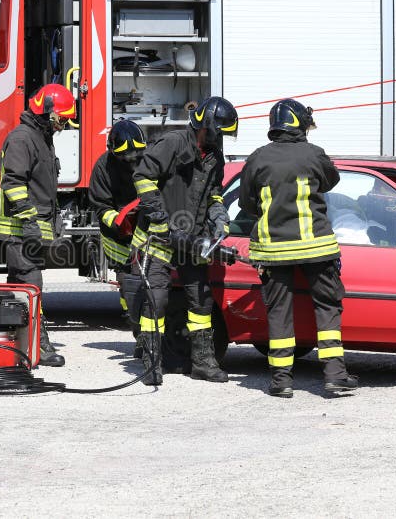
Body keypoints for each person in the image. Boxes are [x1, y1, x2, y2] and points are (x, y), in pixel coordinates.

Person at [239, 98, 358, 398]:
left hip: (273, 251)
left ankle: (281, 381)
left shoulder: (257, 158)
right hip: (316, 248)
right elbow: (331, 182)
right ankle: (334, 374)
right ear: (300, 124)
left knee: (279, 312)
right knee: (327, 307)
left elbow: (247, 204)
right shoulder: (314, 154)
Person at [131, 96, 238, 385]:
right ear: (206, 127)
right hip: (161, 236)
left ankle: (202, 362)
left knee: (201, 299)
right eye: (221, 133)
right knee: (157, 298)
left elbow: (215, 194)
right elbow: (143, 178)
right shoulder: (173, 143)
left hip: (193, 238)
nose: (223, 139)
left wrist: (219, 218)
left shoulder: (215, 157)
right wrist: (160, 219)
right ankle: (151, 362)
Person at [0, 83, 77, 367]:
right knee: (32, 286)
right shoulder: (22, 139)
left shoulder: (40, 137)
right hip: (22, 230)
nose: (64, 125)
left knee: (20, 287)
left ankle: (16, 342)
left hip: (30, 229)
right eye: (62, 119)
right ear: (47, 112)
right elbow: (13, 184)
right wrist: (29, 220)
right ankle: (38, 346)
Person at [88, 120, 146, 357]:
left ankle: (152, 334)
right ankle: (140, 334)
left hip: (144, 234)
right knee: (129, 287)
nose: (132, 160)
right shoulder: (103, 168)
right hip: (118, 239)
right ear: (113, 151)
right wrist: (121, 221)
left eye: (136, 155)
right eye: (126, 157)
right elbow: (101, 207)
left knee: (152, 285)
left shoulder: (148, 160)